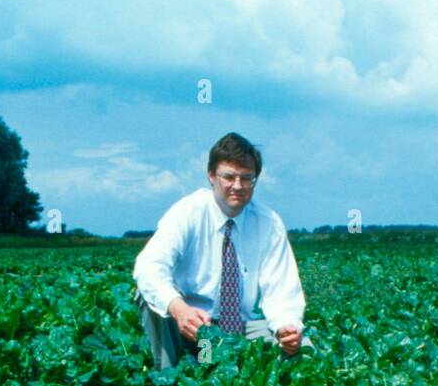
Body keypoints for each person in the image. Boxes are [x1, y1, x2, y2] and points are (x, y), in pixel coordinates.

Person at [133, 132, 310, 369]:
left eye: (247, 178)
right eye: (229, 177)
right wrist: (179, 309)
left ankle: (236, 379)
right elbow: (149, 267)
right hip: (190, 327)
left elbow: (282, 290)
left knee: (305, 351)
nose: (237, 186)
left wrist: (286, 327)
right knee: (148, 296)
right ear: (211, 176)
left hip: (239, 330)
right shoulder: (188, 212)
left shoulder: (269, 223)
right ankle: (169, 383)